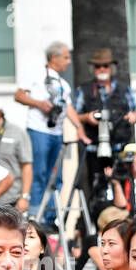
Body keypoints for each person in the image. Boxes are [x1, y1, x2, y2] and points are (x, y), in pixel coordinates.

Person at [15, 42, 91, 226]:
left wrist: (80, 130)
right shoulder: (35, 74)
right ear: (53, 58)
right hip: (39, 130)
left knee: (56, 177)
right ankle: (35, 216)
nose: (69, 62)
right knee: (39, 173)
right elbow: (19, 95)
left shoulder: (63, 84)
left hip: (57, 133)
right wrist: (40, 104)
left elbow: (68, 108)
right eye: (65, 57)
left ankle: (50, 217)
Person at [72, 48, 136, 193]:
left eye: (105, 66)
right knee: (96, 187)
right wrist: (87, 117)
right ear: (93, 69)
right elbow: (75, 115)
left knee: (122, 184)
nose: (102, 69)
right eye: (98, 66)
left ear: (111, 68)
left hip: (119, 146)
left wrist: (133, 117)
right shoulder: (84, 90)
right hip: (94, 147)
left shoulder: (124, 89)